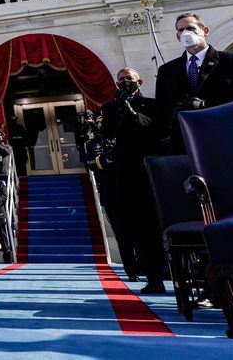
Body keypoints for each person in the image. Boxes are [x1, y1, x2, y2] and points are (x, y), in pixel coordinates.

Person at [99, 68, 166, 294]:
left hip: (150, 171)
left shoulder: (152, 104)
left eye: (129, 78)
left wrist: (132, 113)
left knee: (155, 225)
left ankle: (167, 271)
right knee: (137, 228)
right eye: (121, 79)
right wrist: (120, 109)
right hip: (126, 174)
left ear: (139, 81)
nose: (125, 82)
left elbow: (155, 129)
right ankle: (153, 278)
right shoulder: (110, 108)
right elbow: (108, 133)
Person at [155, 13, 233, 154]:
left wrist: (206, 105)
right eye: (181, 30)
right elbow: (161, 109)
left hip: (228, 138)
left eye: (190, 28)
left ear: (205, 31)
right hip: (186, 144)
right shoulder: (167, 70)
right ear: (178, 37)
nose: (185, 33)